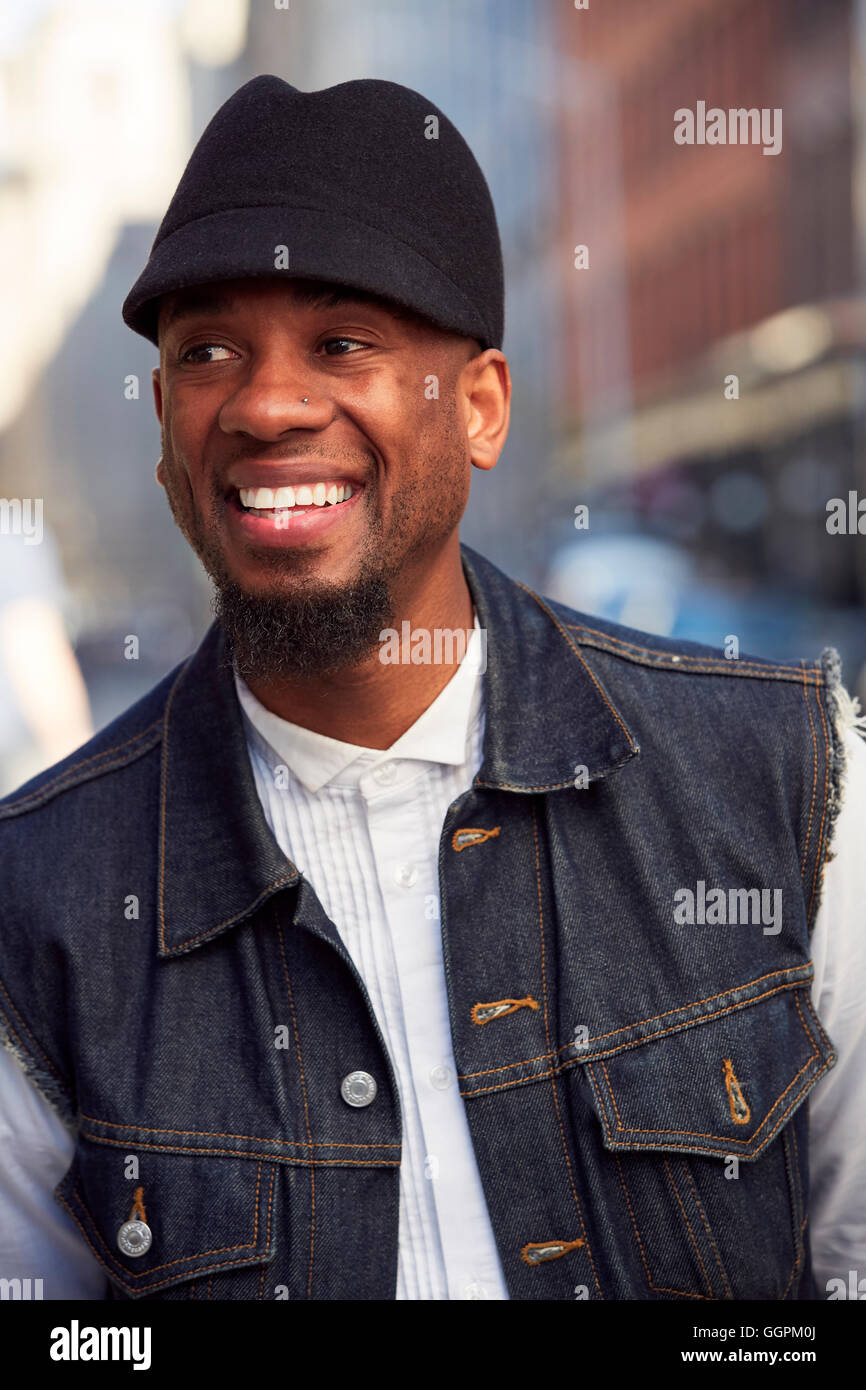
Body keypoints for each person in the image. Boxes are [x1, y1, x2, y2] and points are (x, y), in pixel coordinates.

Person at [0, 75, 863, 1302]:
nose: (266, 403)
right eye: (208, 351)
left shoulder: (788, 781)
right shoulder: (38, 902)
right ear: (160, 430)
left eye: (341, 342)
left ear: (479, 407)